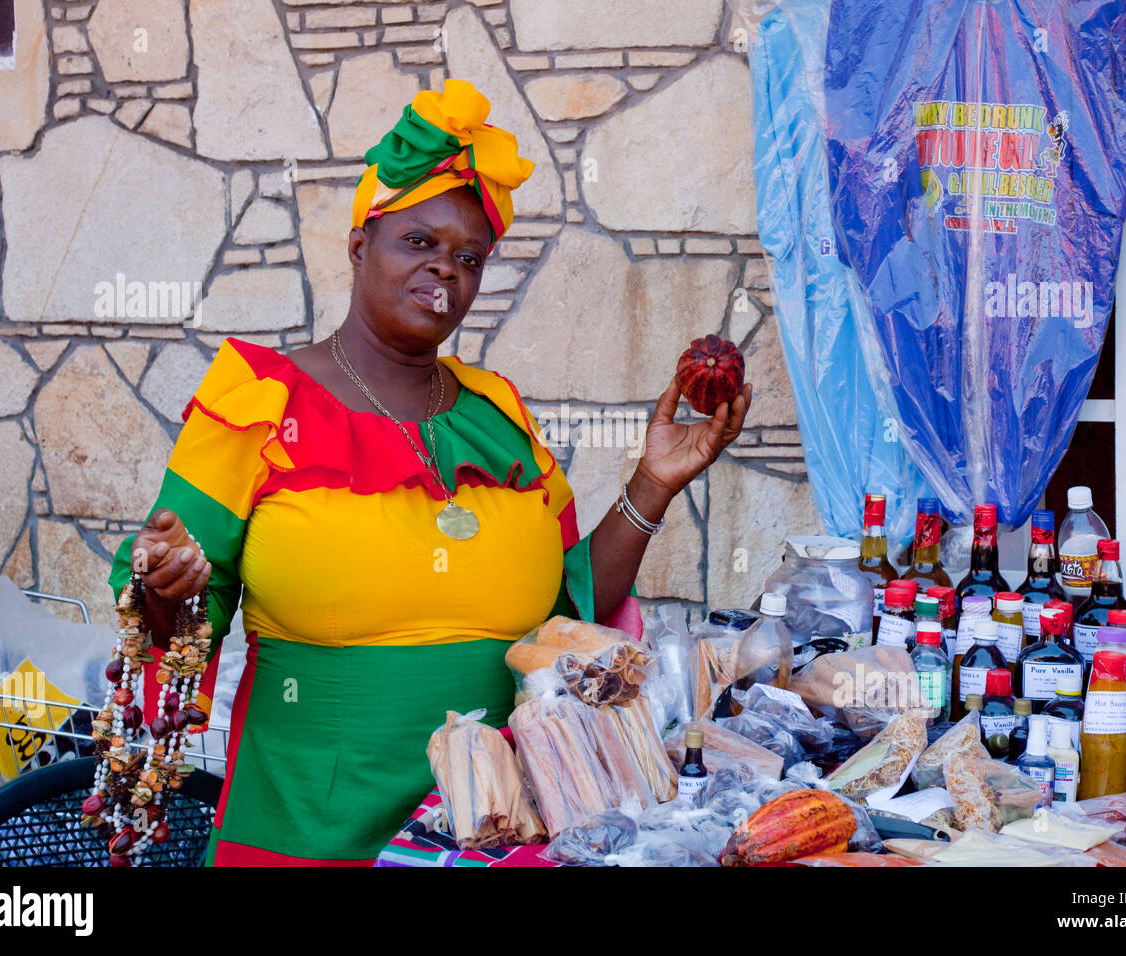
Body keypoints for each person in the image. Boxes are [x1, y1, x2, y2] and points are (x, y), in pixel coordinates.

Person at [110, 80, 753, 866]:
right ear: (360, 247)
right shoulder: (257, 400)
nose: (445, 270)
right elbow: (172, 611)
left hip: (494, 830)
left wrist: (653, 483)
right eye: (419, 242)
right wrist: (165, 585)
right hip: (314, 835)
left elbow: (566, 608)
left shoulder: (498, 413)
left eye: (469, 257)